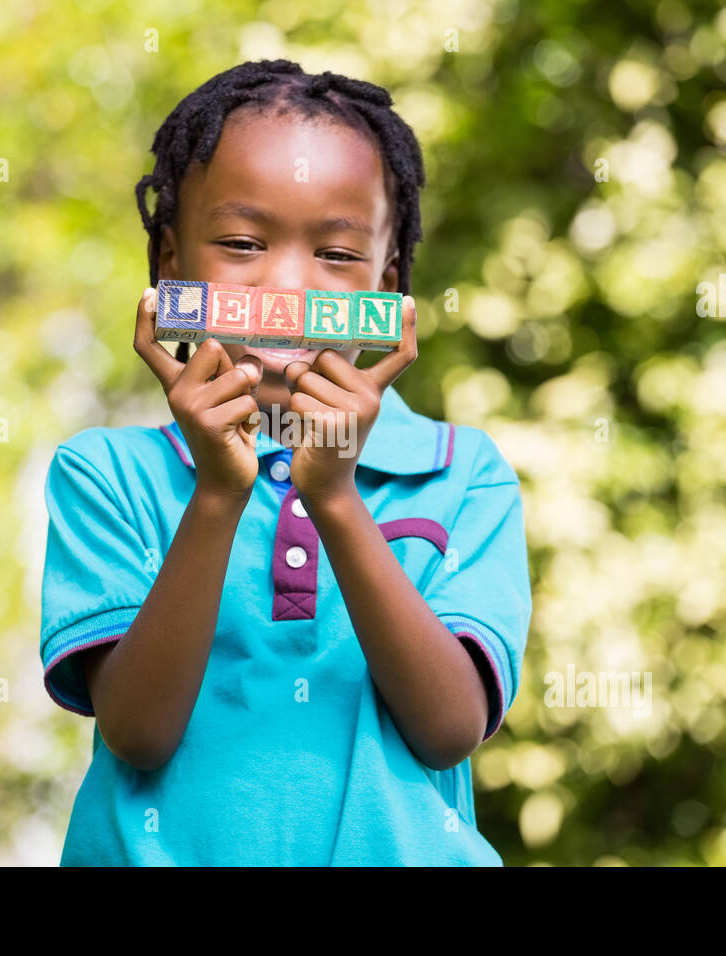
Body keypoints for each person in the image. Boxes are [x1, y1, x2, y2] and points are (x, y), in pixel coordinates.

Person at [39, 59, 532, 865]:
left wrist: (334, 498)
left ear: (390, 281)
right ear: (170, 267)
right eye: (241, 243)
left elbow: (449, 732)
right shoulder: (106, 475)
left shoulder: (461, 473)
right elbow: (138, 732)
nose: (285, 286)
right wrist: (215, 496)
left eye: (336, 254)